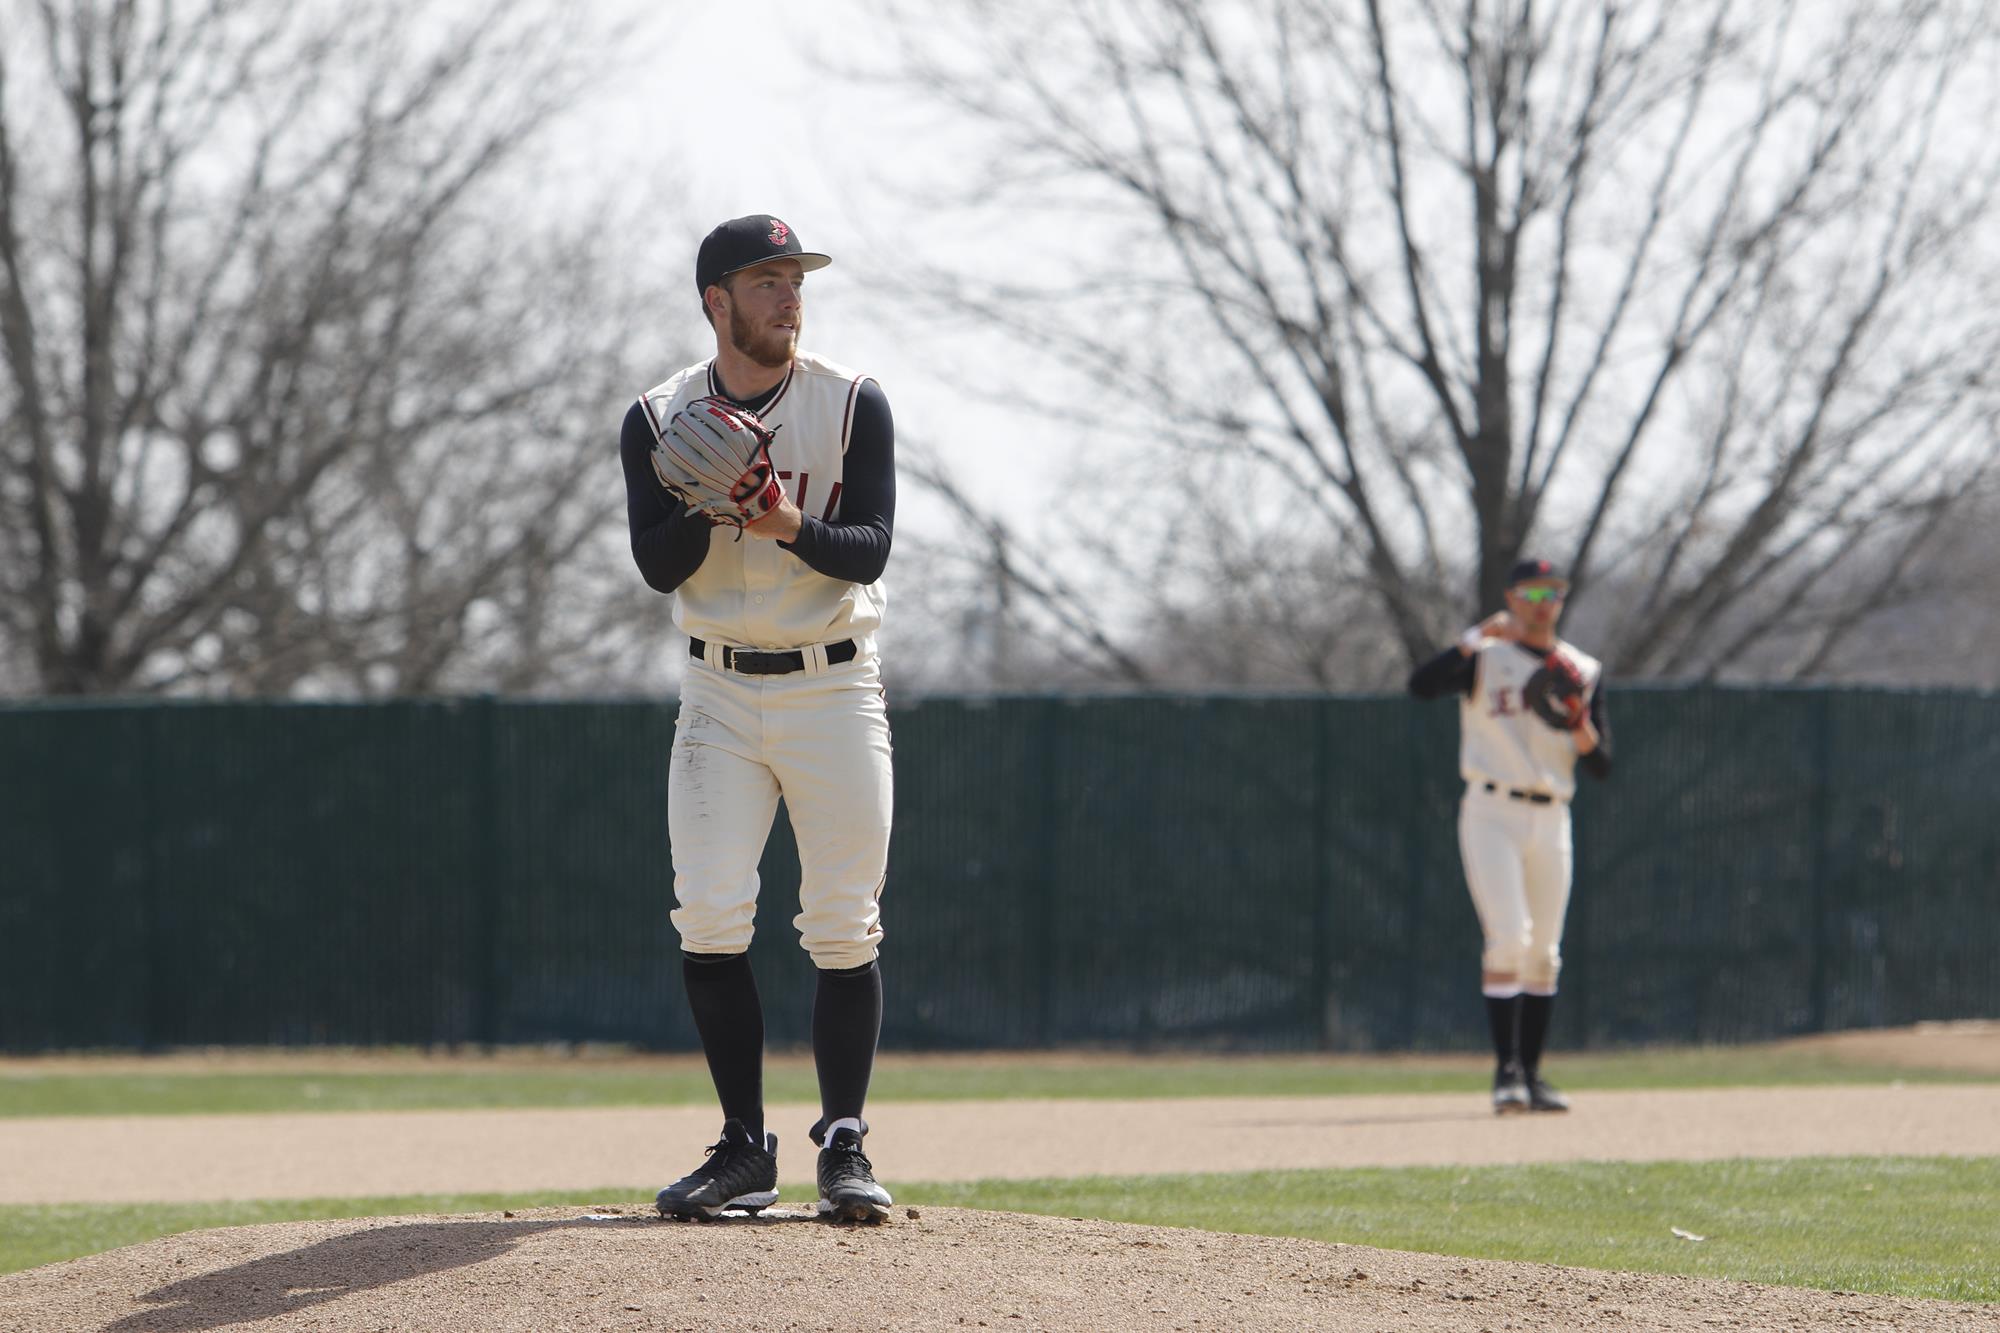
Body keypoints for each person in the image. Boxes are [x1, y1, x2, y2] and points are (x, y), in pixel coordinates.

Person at [619, 214, 897, 1222]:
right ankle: (744, 1146)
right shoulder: (657, 417)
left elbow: (868, 546)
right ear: (715, 301)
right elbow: (658, 566)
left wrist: (779, 518)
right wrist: (709, 500)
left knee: (840, 918)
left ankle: (843, 1141)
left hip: (832, 681)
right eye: (765, 278)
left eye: (794, 276)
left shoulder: (850, 400)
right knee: (707, 910)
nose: (788, 294)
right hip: (719, 691)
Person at [1408, 558, 1612, 1115]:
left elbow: (1602, 765)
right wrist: (1473, 638)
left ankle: (1534, 1076)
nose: (1542, 601)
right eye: (1531, 591)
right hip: (1491, 808)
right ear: (1511, 597)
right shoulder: (1487, 659)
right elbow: (1420, 686)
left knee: (1544, 951)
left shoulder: (1581, 669)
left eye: (1552, 591)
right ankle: (1506, 1075)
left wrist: (1581, 725)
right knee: (1508, 938)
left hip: (1552, 814)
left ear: (1562, 599)